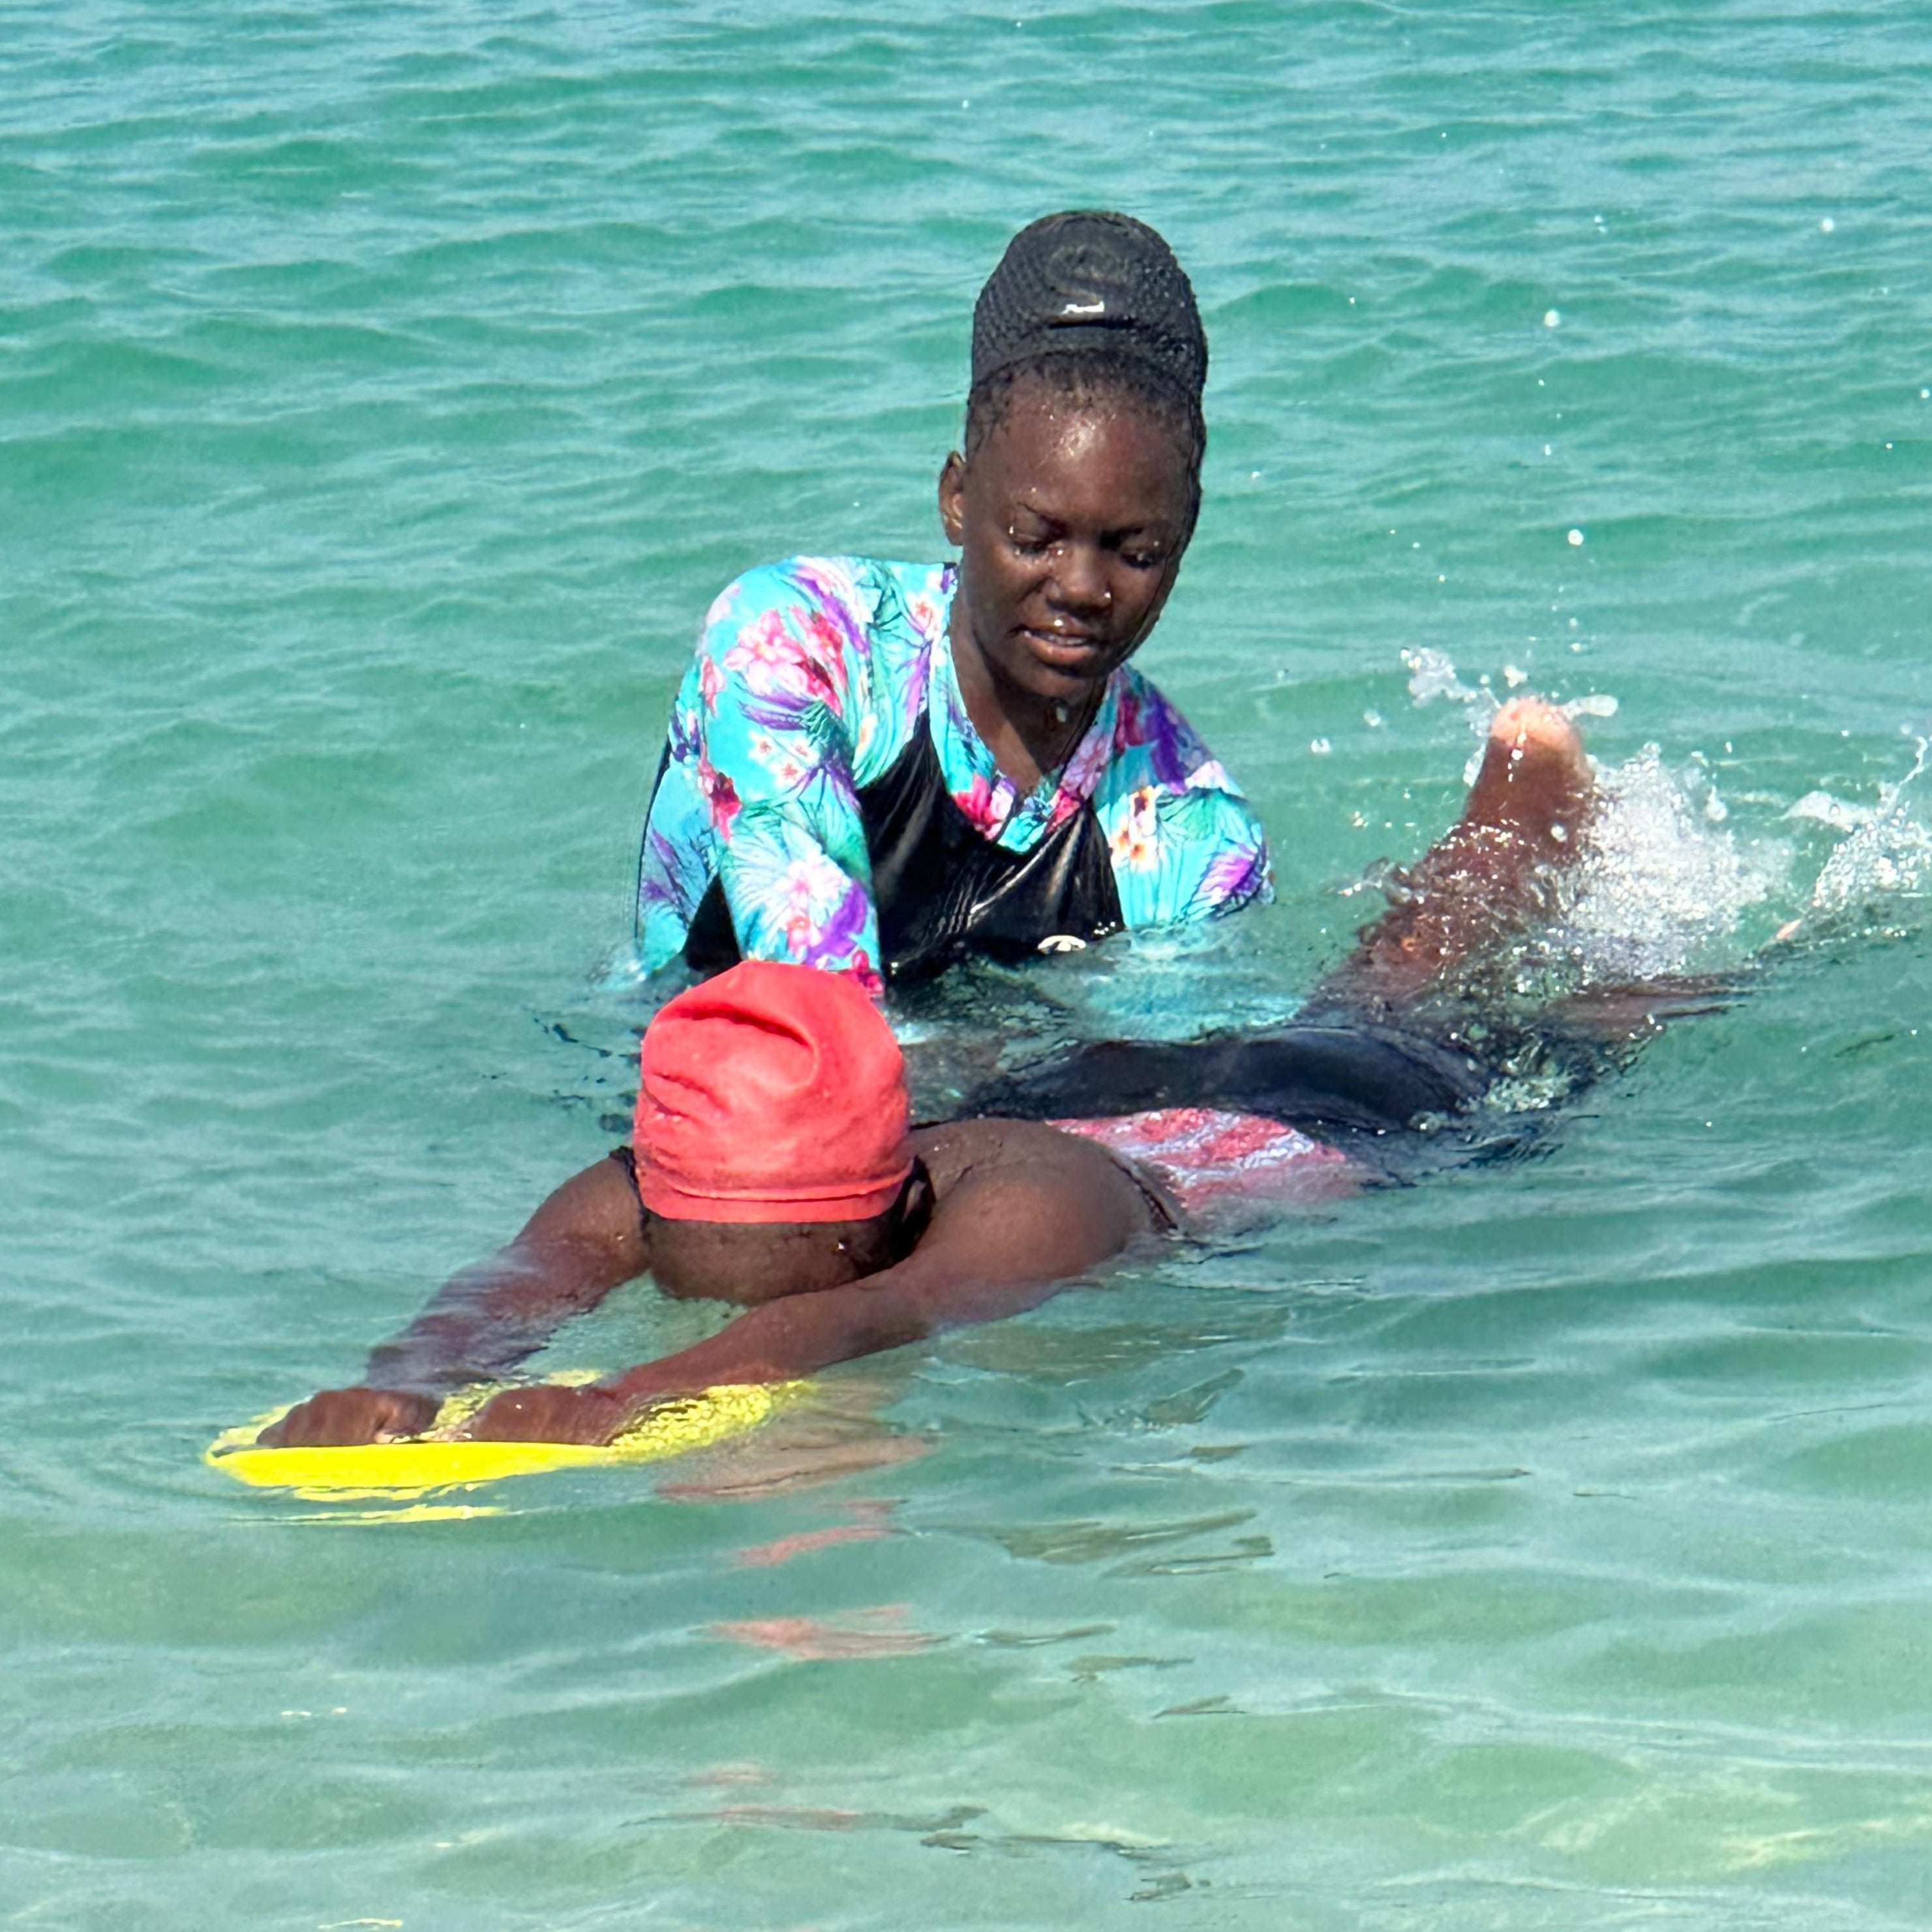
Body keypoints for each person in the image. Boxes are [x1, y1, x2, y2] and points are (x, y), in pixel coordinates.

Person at [265, 699, 1657, 1451]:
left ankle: (1670, 876)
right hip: (1096, 1071)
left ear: (881, 1213)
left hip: (1336, 1106)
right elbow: (516, 1283)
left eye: (806, 1265)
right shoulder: (687, 1151)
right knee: (1376, 968)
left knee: (1469, 1009)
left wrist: (626, 1398)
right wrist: (403, 1378)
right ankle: (1520, 795)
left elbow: (877, 1320)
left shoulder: (1041, 1208)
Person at [635, 211, 1271, 993]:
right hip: (665, 1080)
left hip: (981, 1103)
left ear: (1184, 538)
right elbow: (817, 1010)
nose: (1081, 588)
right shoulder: (792, 645)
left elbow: (1173, 1089)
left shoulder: (1195, 832)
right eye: (1036, 537)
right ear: (958, 498)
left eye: (1135, 552)